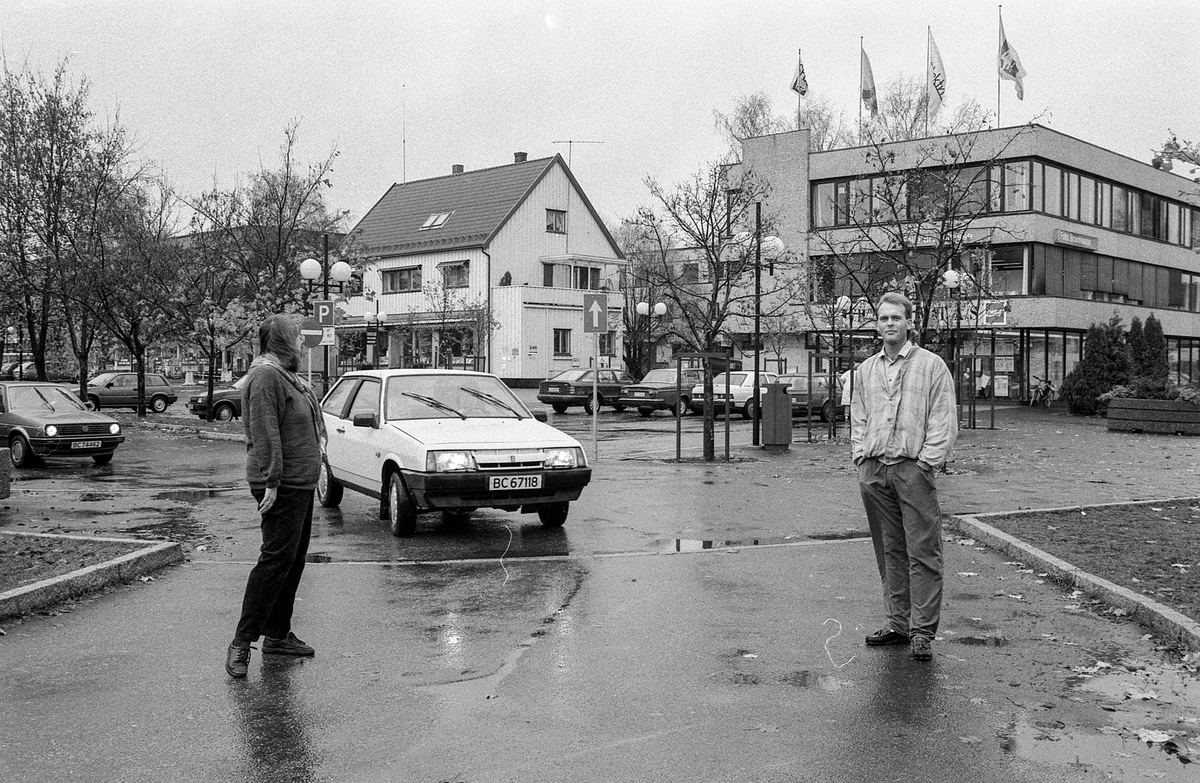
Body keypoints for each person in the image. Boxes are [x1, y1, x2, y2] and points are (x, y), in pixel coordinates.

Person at [850, 292, 957, 662]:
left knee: (923, 551)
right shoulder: (866, 370)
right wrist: (861, 457)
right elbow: (858, 416)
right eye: (883, 318)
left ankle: (922, 631)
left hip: (912, 469)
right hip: (874, 469)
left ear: (909, 322)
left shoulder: (931, 365)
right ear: (877, 325)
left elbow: (943, 419)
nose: (889, 324)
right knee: (890, 550)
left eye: (896, 318)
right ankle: (898, 623)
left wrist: (927, 463)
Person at [226, 314, 328, 679]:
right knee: (274, 562)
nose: (301, 341)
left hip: (298, 482)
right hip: (280, 484)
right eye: (296, 336)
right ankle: (241, 643)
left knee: (292, 560)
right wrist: (271, 480)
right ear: (282, 341)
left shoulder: (288, 377)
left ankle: (278, 635)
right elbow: (264, 430)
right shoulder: (266, 376)